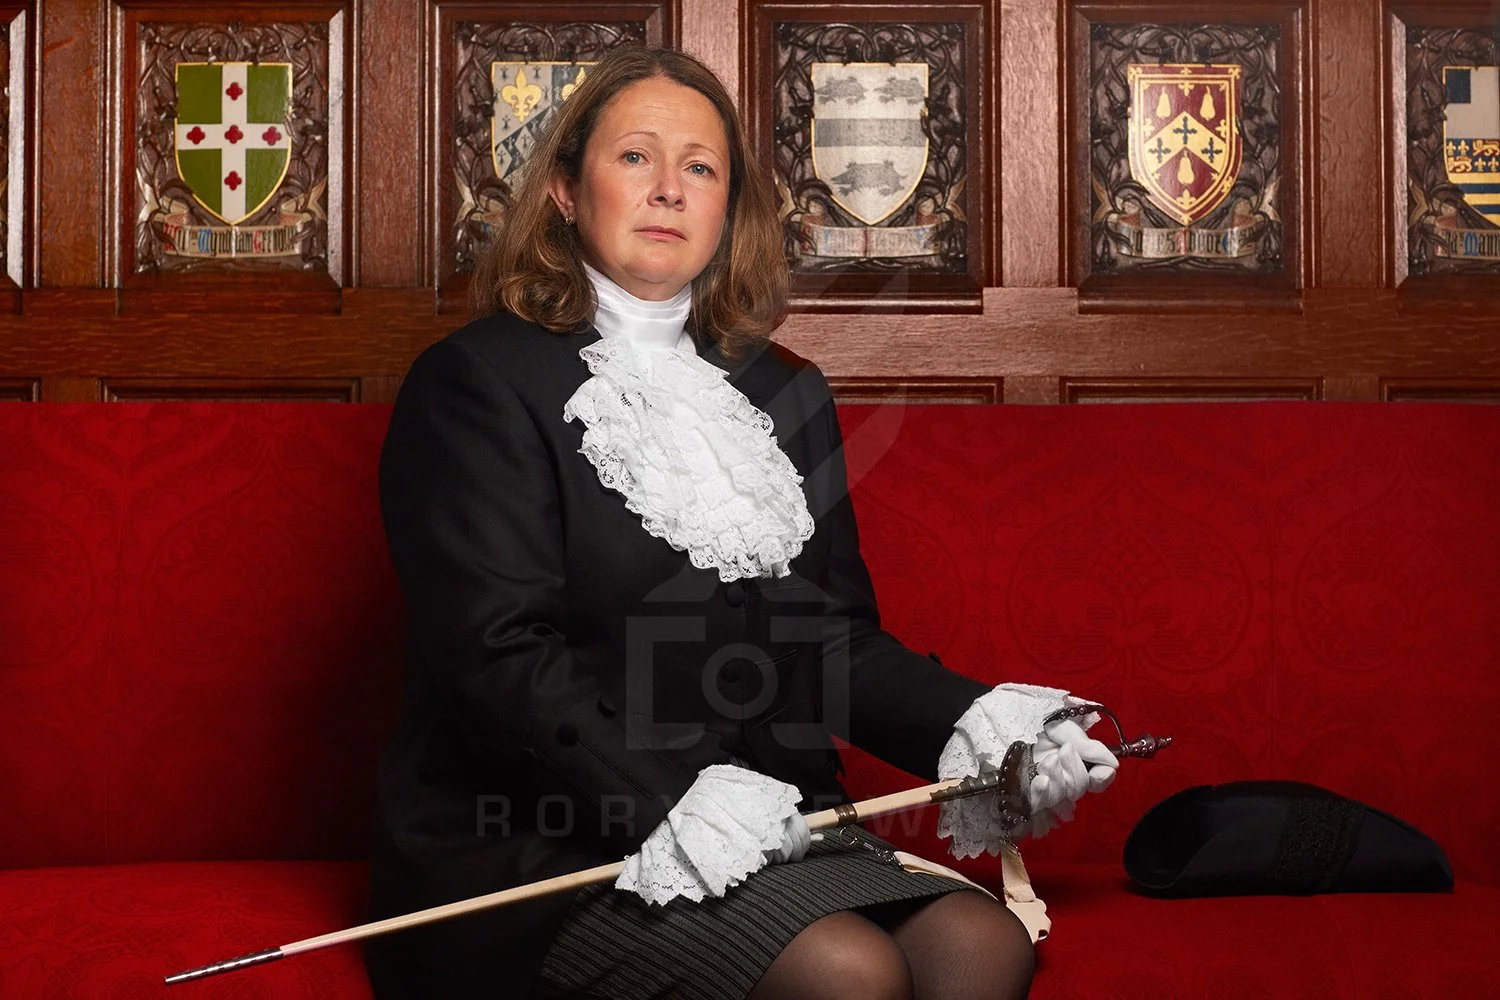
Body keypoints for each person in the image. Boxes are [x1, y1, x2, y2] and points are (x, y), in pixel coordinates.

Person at [363, 45, 1117, 1000]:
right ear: (564, 189)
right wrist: (667, 798)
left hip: (771, 820)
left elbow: (830, 643)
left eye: (702, 168)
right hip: (536, 846)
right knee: (849, 972)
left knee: (980, 945)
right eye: (636, 157)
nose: (670, 189)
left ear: (727, 213)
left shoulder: (785, 392)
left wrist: (991, 730)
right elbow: (499, 659)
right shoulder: (475, 382)